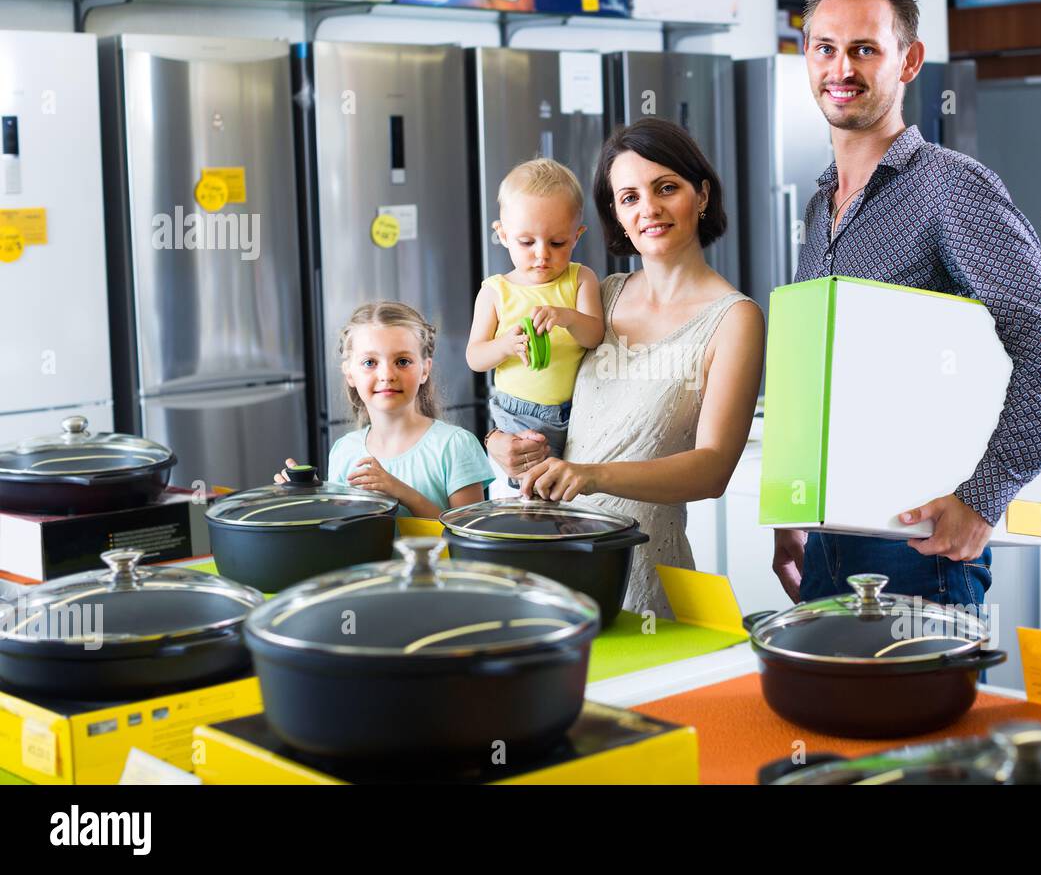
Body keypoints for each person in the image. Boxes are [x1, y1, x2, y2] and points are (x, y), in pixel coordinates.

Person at [772, 0, 1041, 608]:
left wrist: (982, 498)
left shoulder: (948, 187)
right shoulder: (818, 206)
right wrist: (791, 508)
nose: (841, 69)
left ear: (909, 61)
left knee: (914, 713)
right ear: (805, 55)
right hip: (828, 539)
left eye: (865, 49)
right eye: (825, 48)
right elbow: (818, 371)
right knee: (822, 711)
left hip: (919, 546)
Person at [485, 118, 764, 617]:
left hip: (644, 575)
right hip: (551, 562)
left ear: (701, 195)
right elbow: (540, 396)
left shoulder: (734, 319)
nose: (649, 209)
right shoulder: (599, 296)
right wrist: (500, 443)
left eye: (666, 188)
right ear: (615, 212)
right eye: (629, 196)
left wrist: (593, 476)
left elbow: (714, 468)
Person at [277, 300, 493, 518]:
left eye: (402, 361)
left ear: (424, 370)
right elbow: (342, 530)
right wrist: (313, 497)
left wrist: (401, 492)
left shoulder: (455, 445)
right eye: (370, 362)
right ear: (350, 373)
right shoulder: (344, 451)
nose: (387, 375)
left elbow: (468, 535)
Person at [466, 159, 605, 487]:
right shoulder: (496, 291)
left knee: (573, 489)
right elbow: (475, 357)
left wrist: (567, 316)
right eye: (527, 242)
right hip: (519, 413)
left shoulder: (580, 278)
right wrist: (506, 346)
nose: (542, 254)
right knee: (536, 491)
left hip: (579, 408)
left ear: (576, 236)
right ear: (502, 234)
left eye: (557, 243)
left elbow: (594, 336)